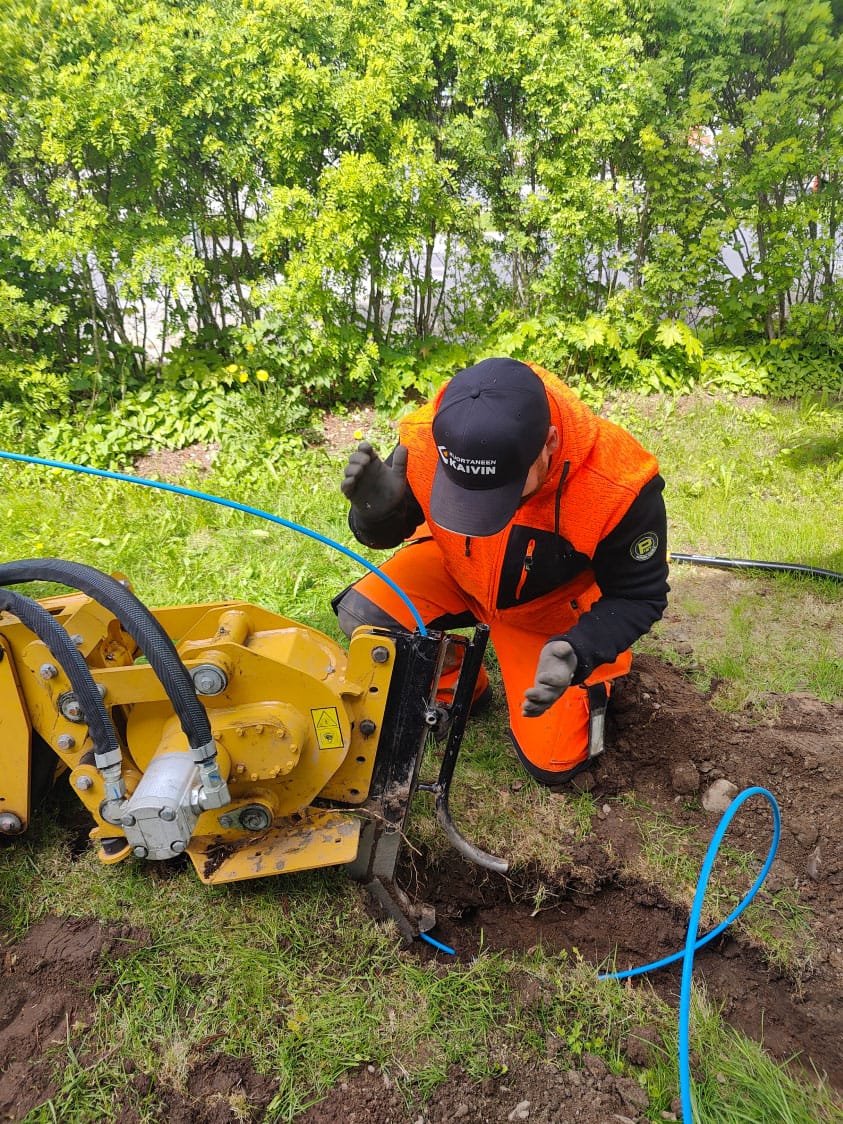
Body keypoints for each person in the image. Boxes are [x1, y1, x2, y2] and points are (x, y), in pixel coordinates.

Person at [334, 357, 669, 787]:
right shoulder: (426, 437)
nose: (481, 511)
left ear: (549, 443)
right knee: (365, 616)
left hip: (546, 615)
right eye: (464, 495)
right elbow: (393, 527)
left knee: (555, 763)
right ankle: (459, 687)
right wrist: (376, 515)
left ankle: (588, 689)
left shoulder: (618, 485)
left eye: (501, 492)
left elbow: (640, 596)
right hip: (456, 566)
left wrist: (579, 649)